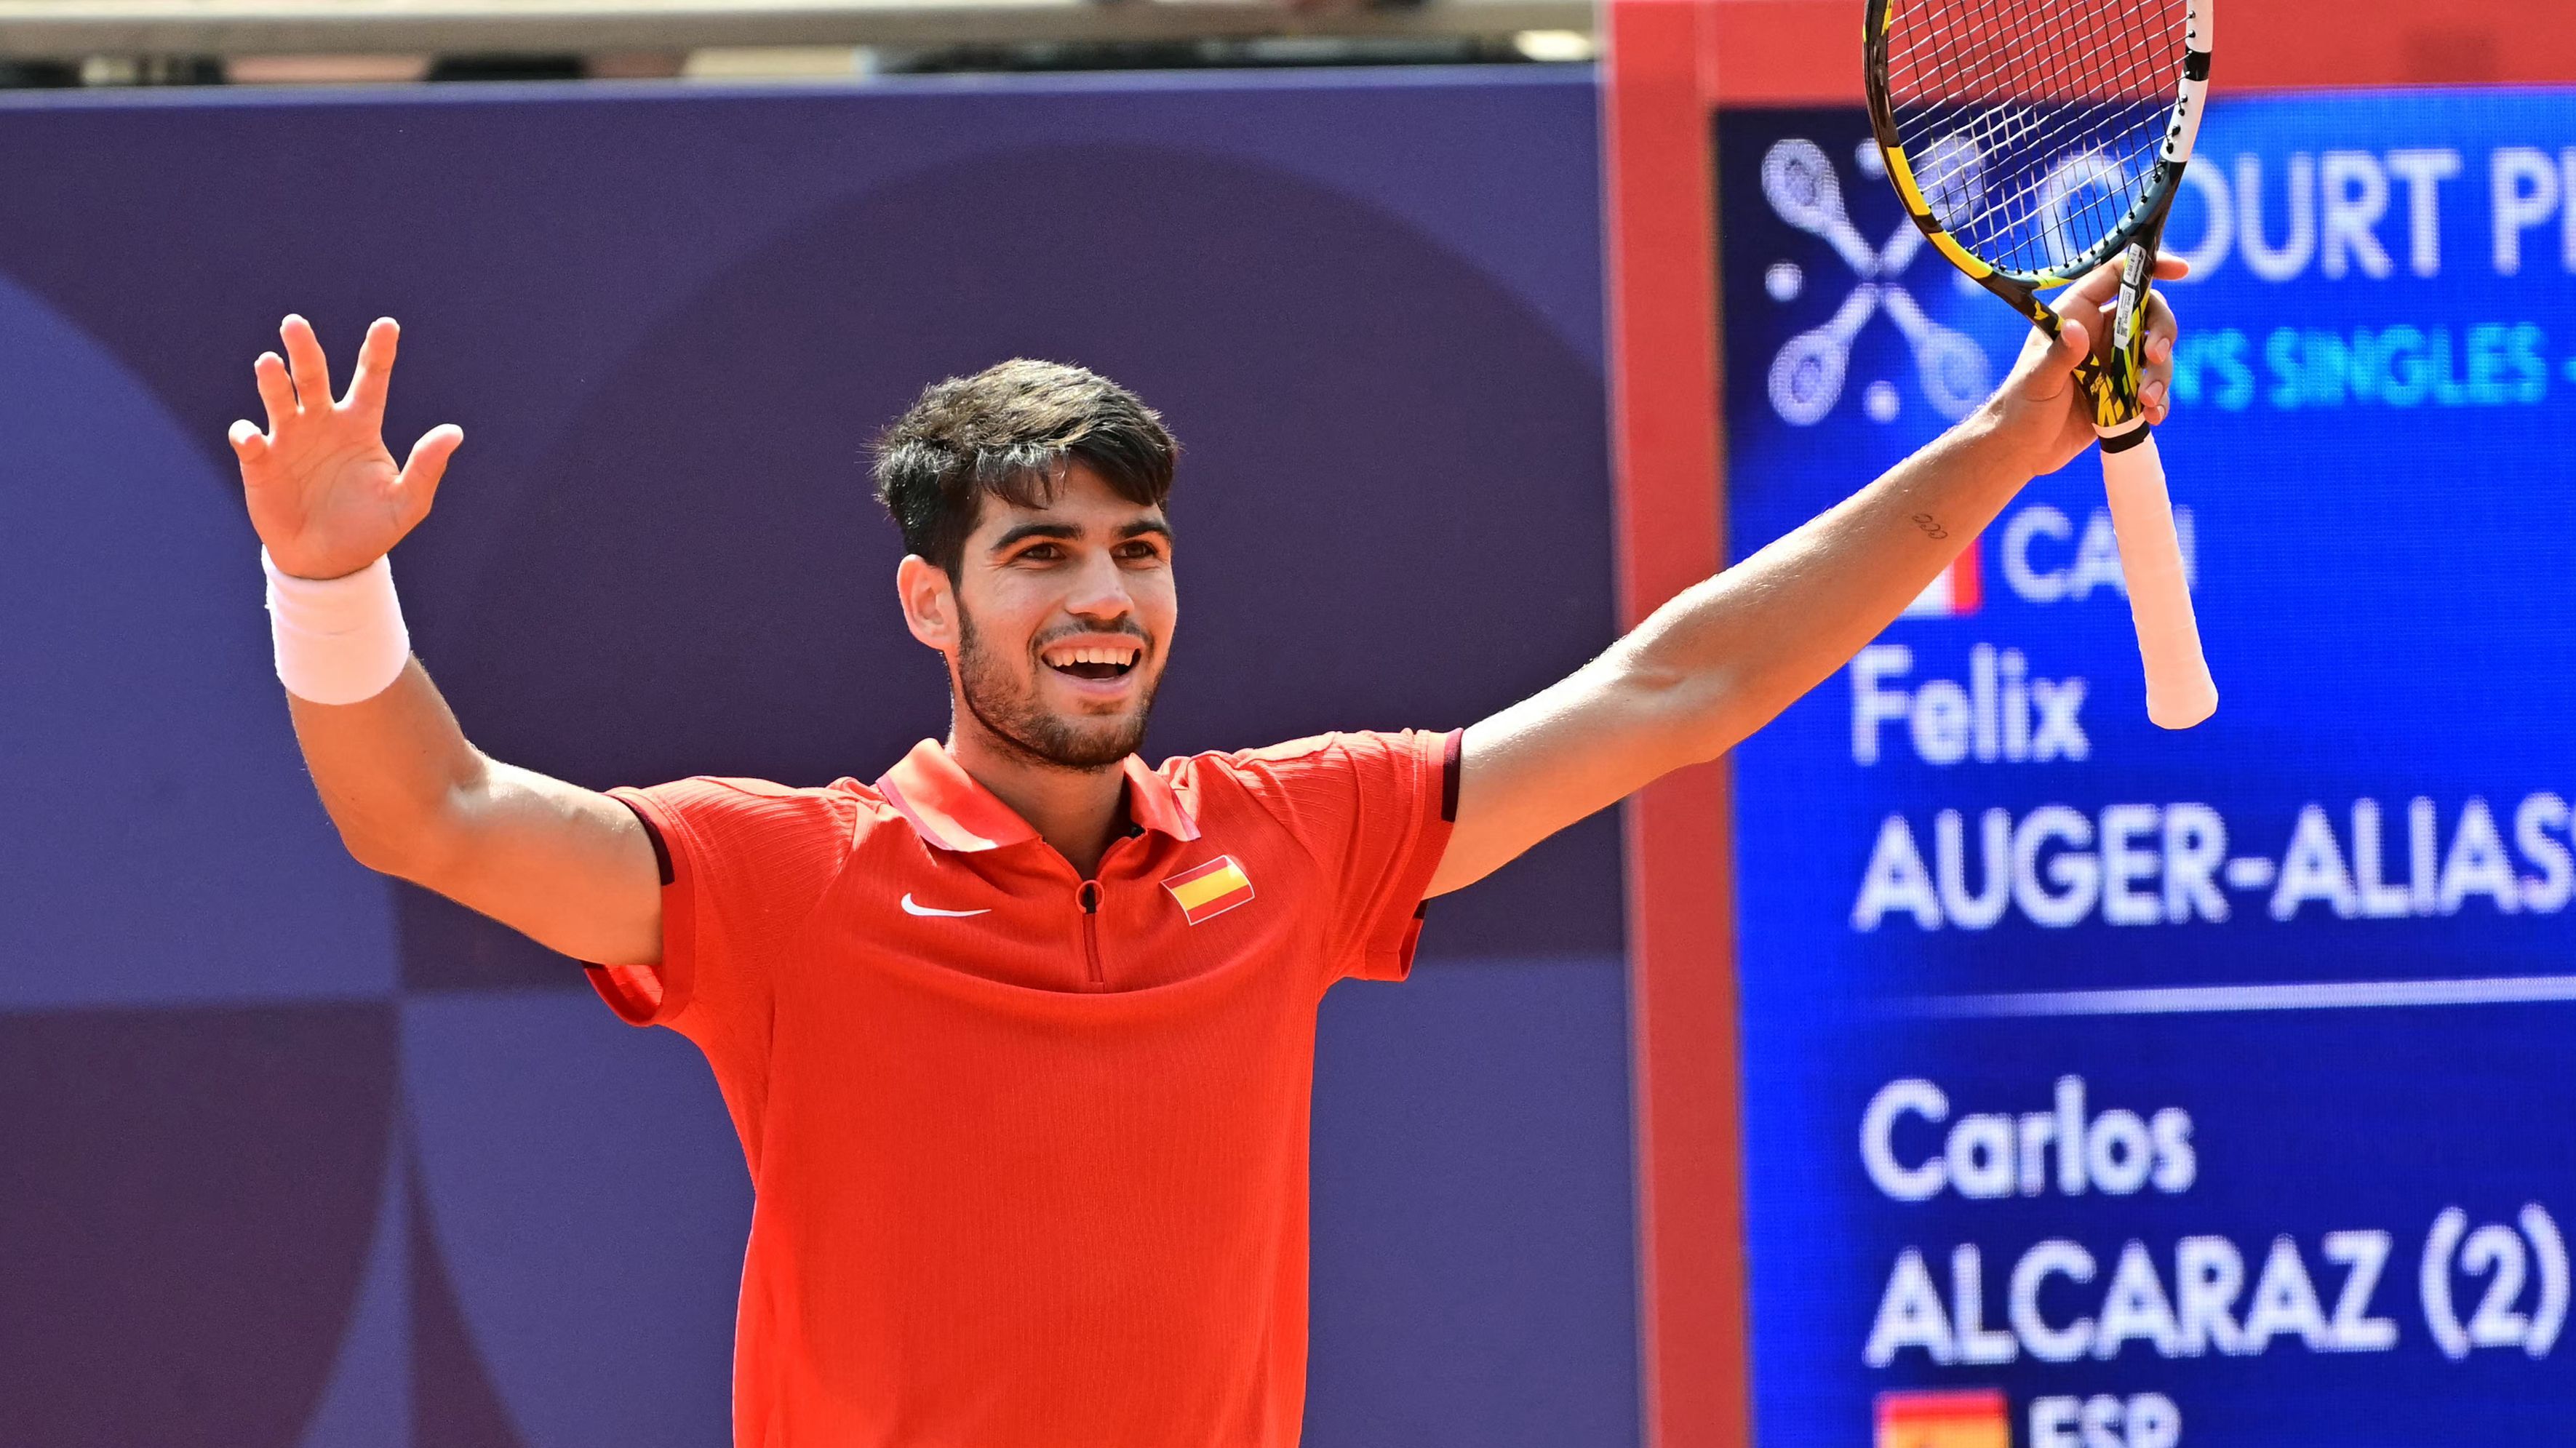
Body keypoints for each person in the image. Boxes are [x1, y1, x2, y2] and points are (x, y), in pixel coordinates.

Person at [231, 257, 2181, 1447]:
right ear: (931, 605)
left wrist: (2011, 440)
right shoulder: (785, 879)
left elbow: (1680, 687)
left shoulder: (1299, 834)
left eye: (1137, 549)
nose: (1104, 596)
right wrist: (327, 586)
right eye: (1041, 553)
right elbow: (434, 814)